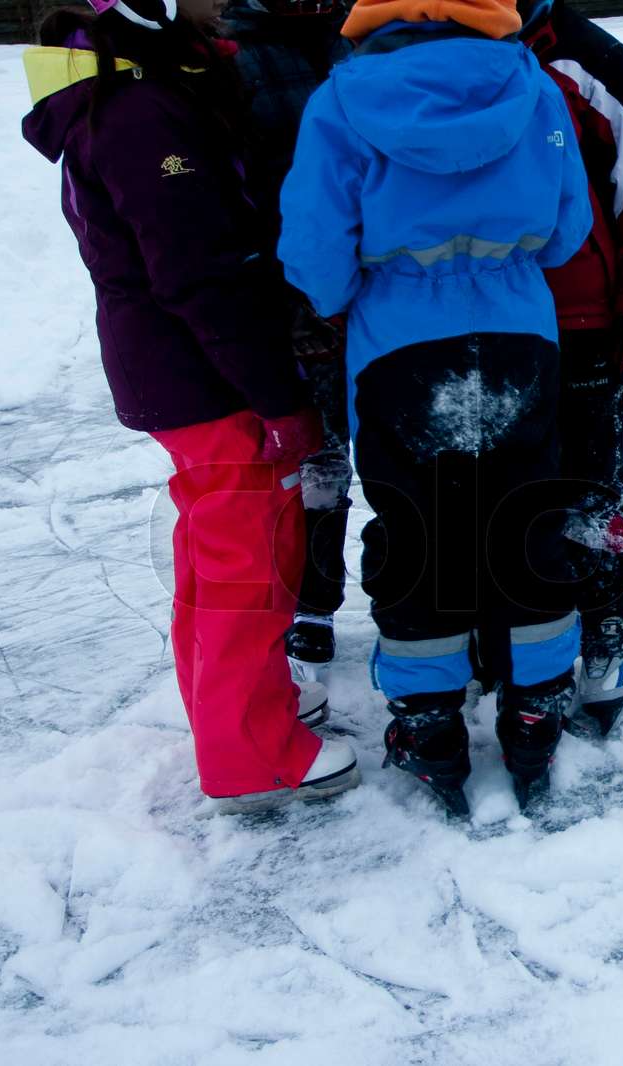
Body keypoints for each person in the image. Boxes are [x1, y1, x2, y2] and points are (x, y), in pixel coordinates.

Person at [21, 0, 360, 813]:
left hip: (174, 370)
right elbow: (199, 274)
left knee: (213, 548)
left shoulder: (126, 93)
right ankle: (255, 754)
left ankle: (233, 712)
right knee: (247, 555)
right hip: (202, 374)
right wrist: (277, 397)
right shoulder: (141, 112)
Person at [278, 0, 593, 814]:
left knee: (419, 534)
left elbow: (314, 250)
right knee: (527, 522)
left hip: (399, 342)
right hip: (520, 337)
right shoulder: (535, 89)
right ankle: (534, 713)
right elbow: (567, 231)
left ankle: (429, 729)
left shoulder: (341, 100)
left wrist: (358, 288)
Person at [518, 0, 623, 737]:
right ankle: (526, 627)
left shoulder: (590, 57)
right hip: (481, 318)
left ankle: (613, 618)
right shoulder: (437, 46)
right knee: (507, 489)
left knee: (589, 485)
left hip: (584, 321)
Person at [217, 0, 356, 686]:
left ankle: (424, 595)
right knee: (319, 456)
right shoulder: (232, 52)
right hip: (287, 286)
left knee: (409, 447)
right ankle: (313, 603)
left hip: (389, 283)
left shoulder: (367, 36)